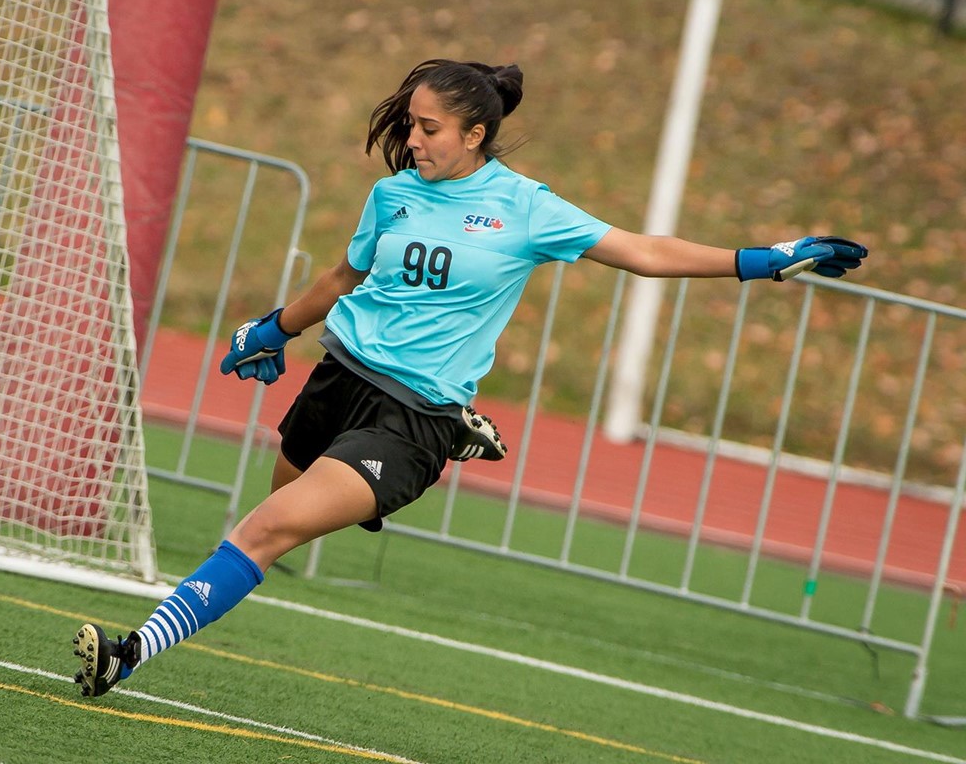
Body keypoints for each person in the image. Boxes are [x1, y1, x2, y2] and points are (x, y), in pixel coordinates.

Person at [71, 58, 868, 697]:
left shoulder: (526, 208)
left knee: (264, 531)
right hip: (337, 379)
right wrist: (275, 327)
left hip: (407, 417)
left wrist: (766, 261)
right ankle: (395, 476)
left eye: (428, 129)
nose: (412, 140)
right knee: (282, 506)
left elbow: (645, 253)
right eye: (411, 125)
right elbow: (344, 279)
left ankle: (130, 652)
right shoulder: (393, 195)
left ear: (475, 133)